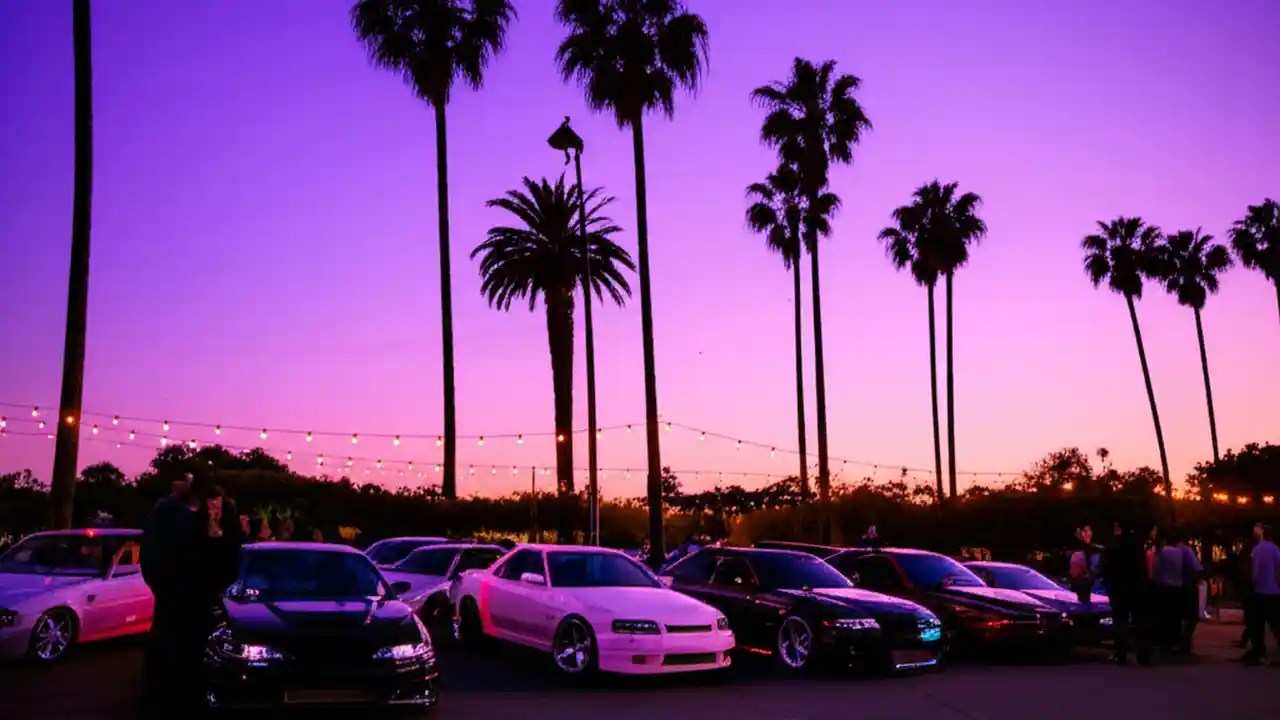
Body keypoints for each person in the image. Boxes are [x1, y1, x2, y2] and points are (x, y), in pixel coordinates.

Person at [139, 473, 203, 713]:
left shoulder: (165, 511)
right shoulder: (178, 513)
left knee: (166, 646)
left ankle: (160, 699)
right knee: (178, 648)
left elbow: (149, 552)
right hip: (179, 590)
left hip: (171, 590)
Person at [1102, 519, 1151, 665]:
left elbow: (1106, 567)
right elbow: (1142, 567)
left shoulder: (1113, 544)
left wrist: (1109, 584)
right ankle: (1143, 654)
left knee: (1120, 621)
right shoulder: (1137, 544)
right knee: (1140, 621)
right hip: (1137, 587)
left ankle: (1121, 653)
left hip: (1119, 588)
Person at [1243, 523, 1280, 666]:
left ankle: (1258, 652)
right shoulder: (1275, 548)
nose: (1255, 532)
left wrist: (1250, 583)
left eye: (1256, 530)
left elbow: (1254, 571)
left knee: (1257, 624)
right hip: (1274, 591)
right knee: (1276, 623)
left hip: (1259, 591)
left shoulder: (1257, 549)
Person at [1173, 530, 1204, 653]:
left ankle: (1183, 642)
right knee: (1191, 616)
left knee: (1184, 616)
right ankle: (1185, 642)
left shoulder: (1176, 550)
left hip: (1180, 585)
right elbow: (1196, 567)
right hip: (1188, 585)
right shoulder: (1186, 550)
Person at [1069, 523, 1100, 604]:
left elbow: (1095, 565)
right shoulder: (1076, 548)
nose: (1085, 533)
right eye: (1083, 531)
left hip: (1089, 581)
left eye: (1087, 531)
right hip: (1080, 580)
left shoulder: (1095, 548)